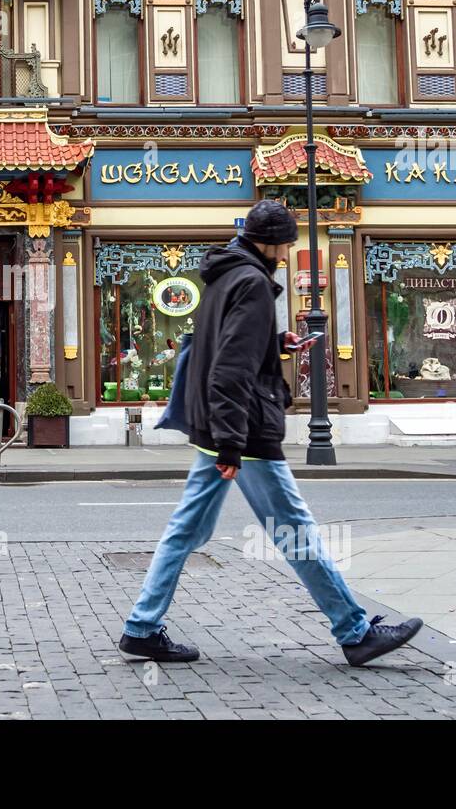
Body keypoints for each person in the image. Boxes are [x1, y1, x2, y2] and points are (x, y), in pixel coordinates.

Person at [118, 200, 423, 667]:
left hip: (213, 425)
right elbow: (230, 368)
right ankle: (355, 632)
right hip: (244, 429)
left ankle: (141, 629)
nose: (286, 254)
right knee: (295, 530)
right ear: (270, 242)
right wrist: (232, 444)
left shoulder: (223, 273)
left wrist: (274, 342)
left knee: (186, 531)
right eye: (285, 245)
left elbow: (218, 343)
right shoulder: (253, 282)